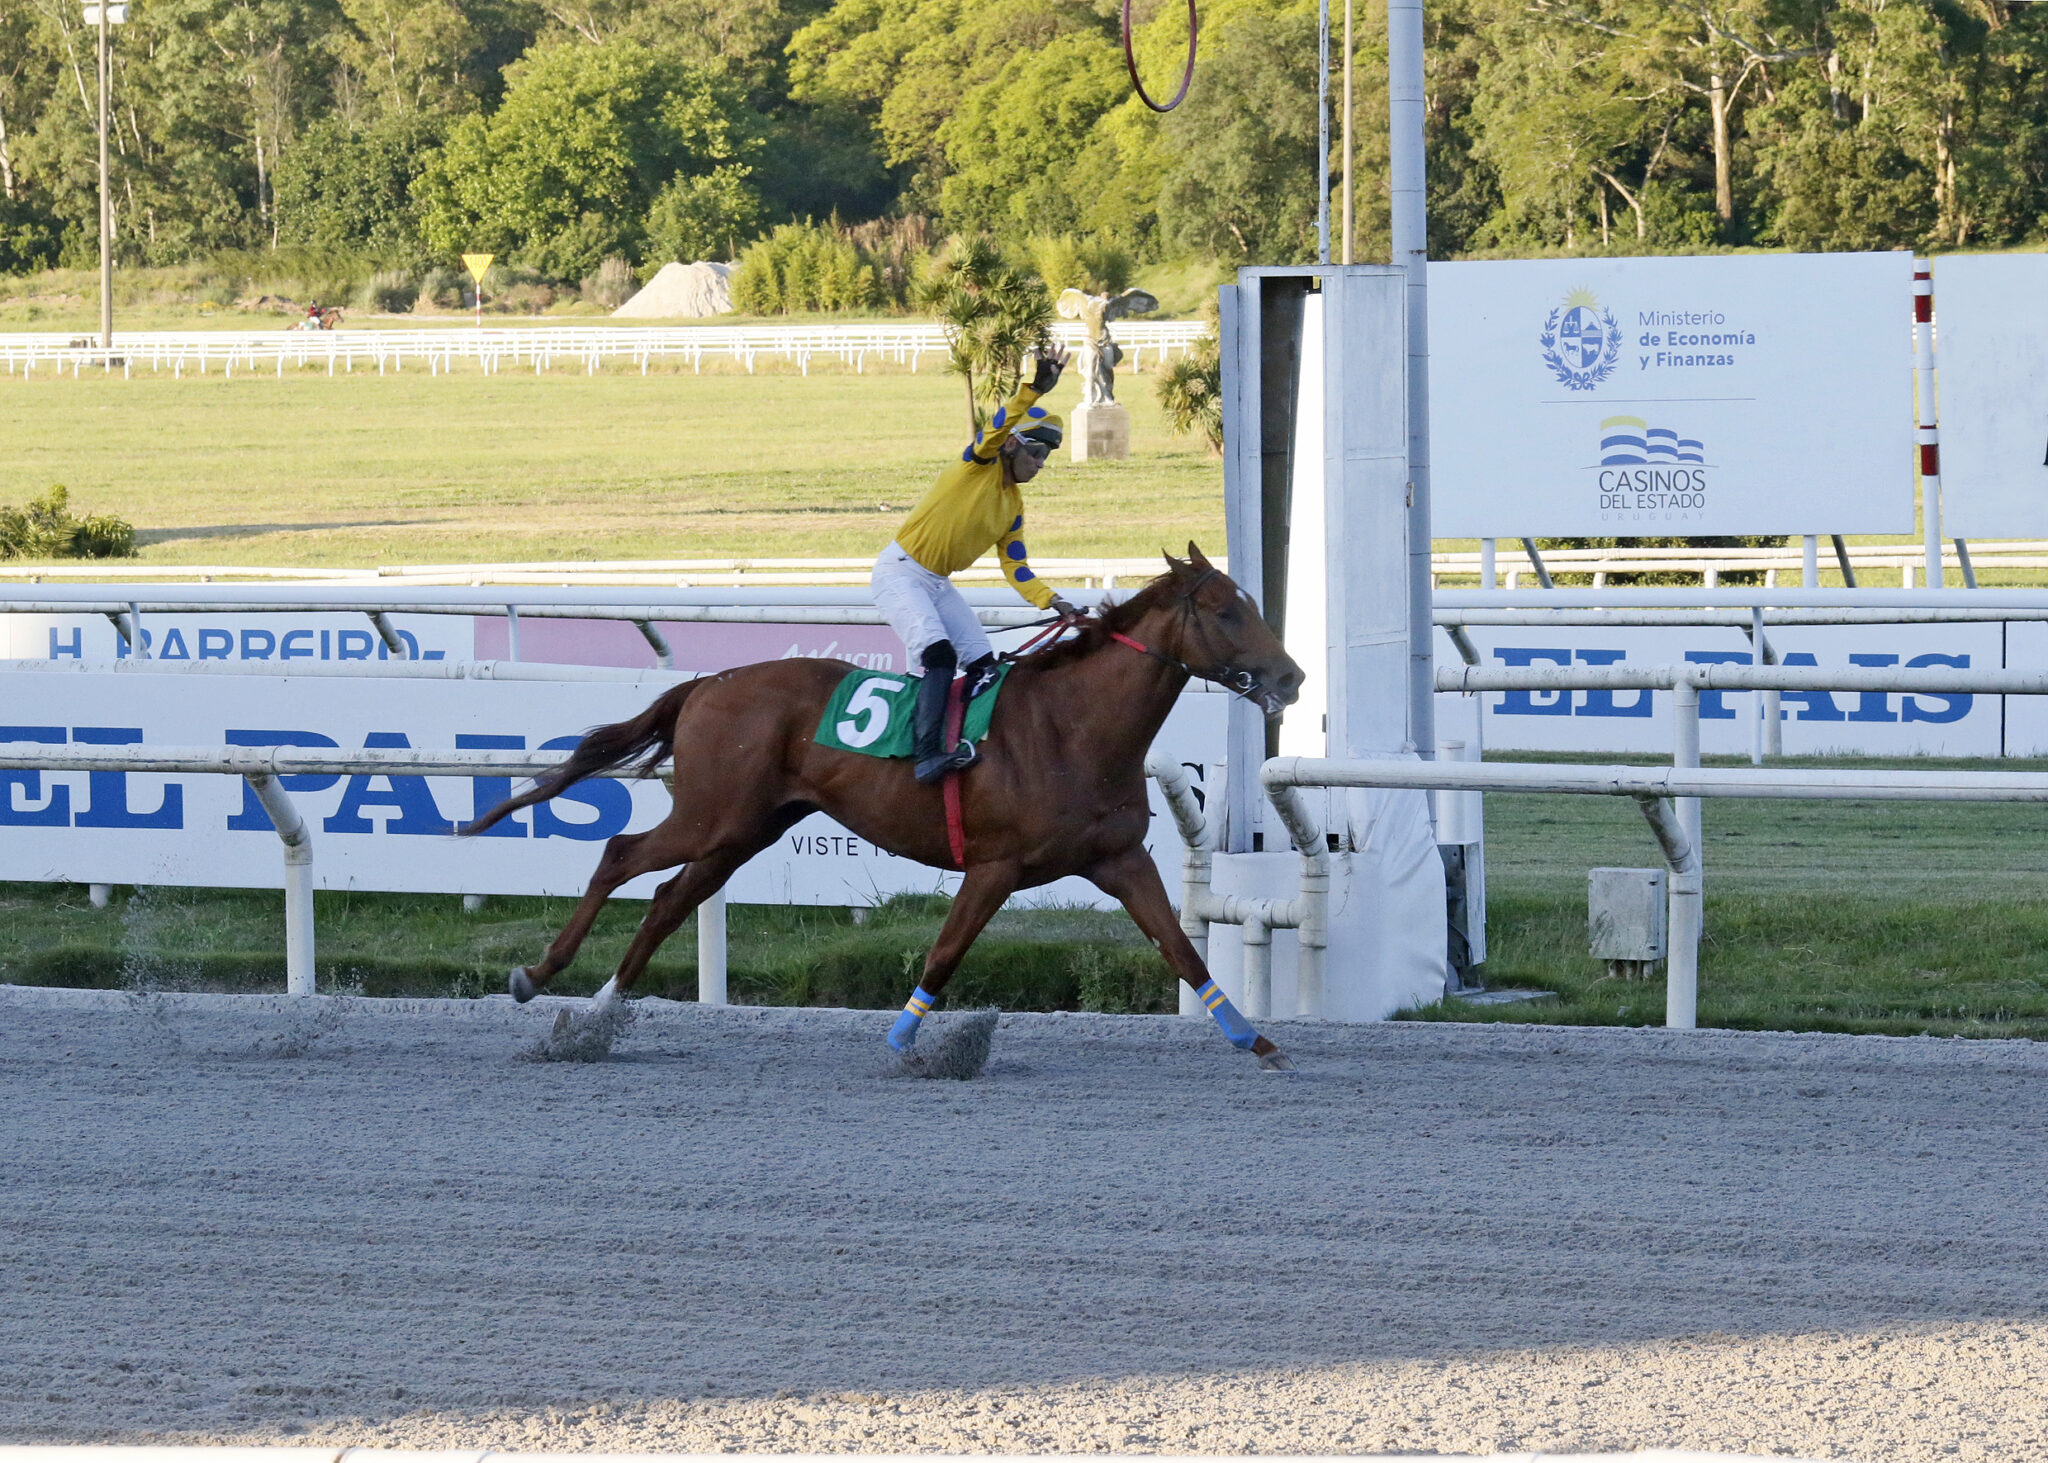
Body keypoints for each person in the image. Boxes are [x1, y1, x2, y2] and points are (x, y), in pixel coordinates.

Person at [872, 345, 1078, 783]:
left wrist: (1054, 601)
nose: (1040, 465)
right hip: (900, 573)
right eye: (1036, 454)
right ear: (1013, 446)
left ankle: (962, 741)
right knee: (941, 657)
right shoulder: (978, 465)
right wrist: (1033, 389)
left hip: (937, 583)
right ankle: (925, 756)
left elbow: (1017, 568)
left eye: (1046, 458)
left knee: (985, 668)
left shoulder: (1013, 506)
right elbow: (996, 425)